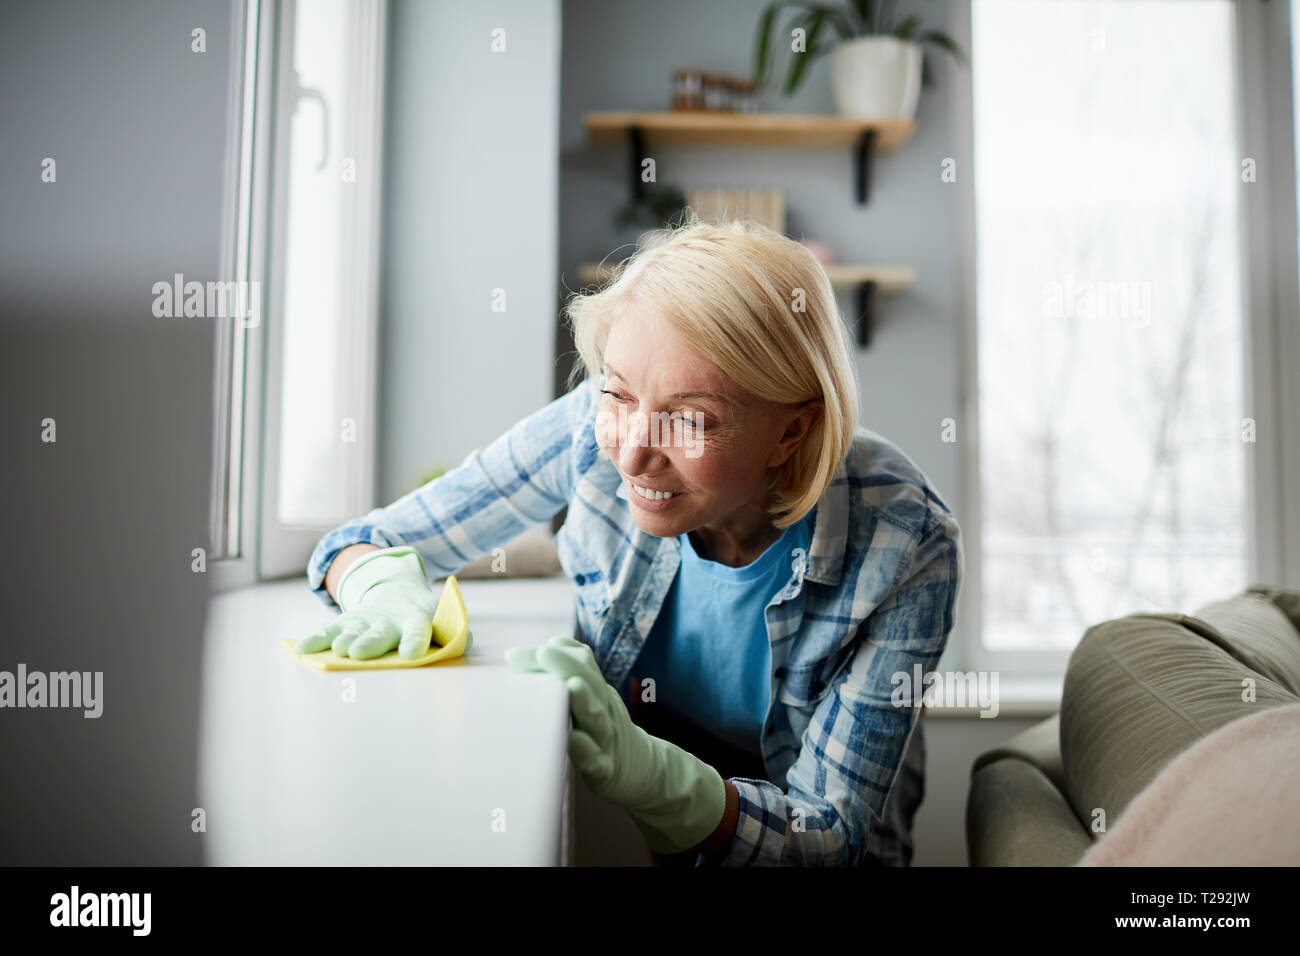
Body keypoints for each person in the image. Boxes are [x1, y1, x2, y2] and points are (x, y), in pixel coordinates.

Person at [298, 214, 964, 866]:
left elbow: (829, 835)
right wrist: (377, 584)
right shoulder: (591, 428)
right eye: (617, 394)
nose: (632, 453)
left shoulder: (906, 542)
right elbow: (365, 539)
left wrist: (661, 783)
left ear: (791, 432)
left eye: (689, 419)